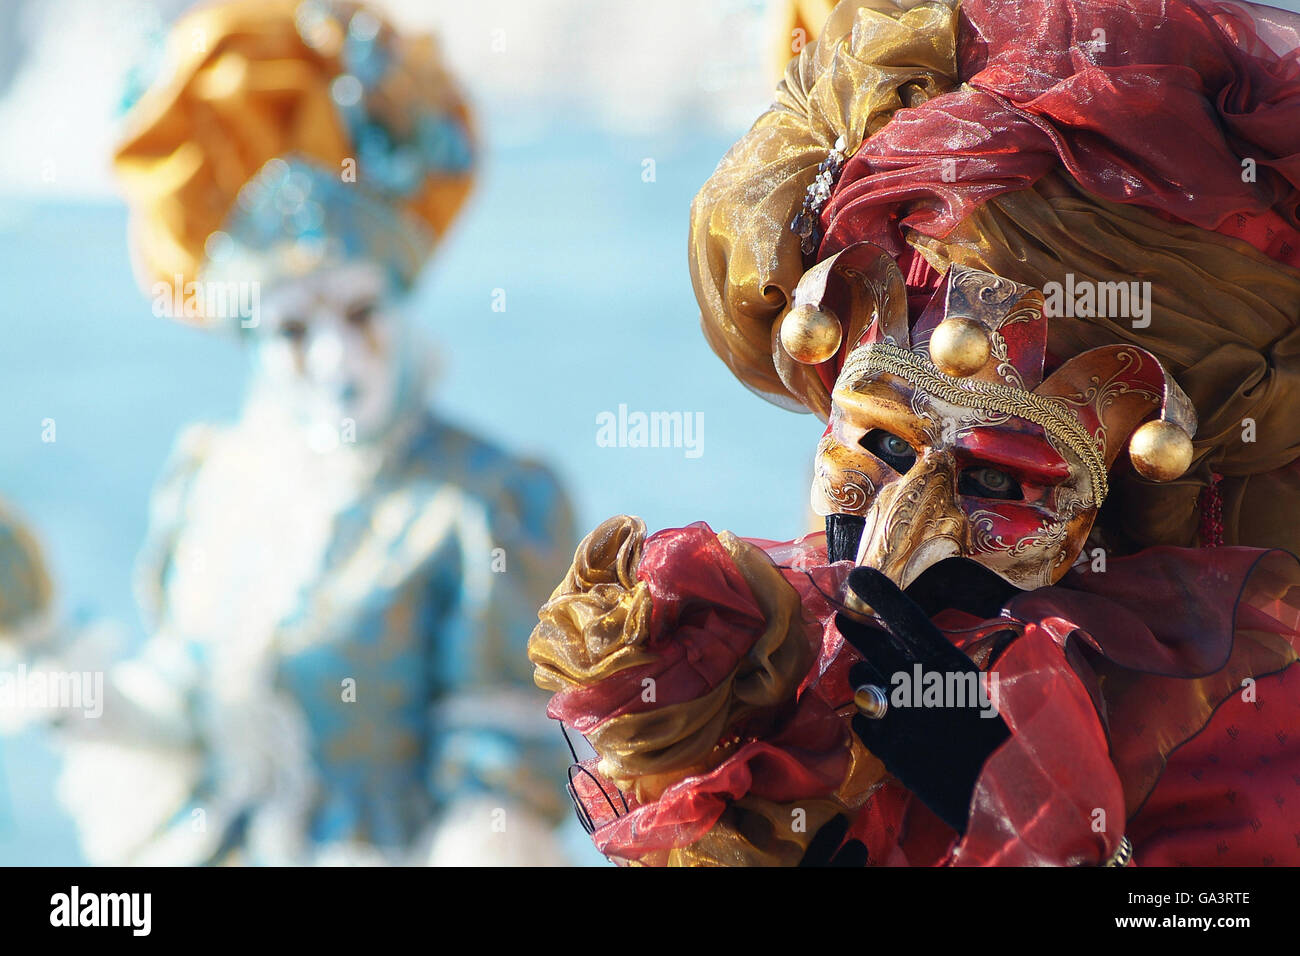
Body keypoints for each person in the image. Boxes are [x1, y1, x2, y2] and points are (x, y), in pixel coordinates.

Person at [528, 0, 1300, 866]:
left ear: (1105, 494)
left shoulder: (1229, 710)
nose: (901, 528)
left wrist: (1029, 815)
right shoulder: (749, 664)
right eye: (884, 446)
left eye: (1001, 481)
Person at [14, 0, 577, 865]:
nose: (335, 356)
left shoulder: (487, 506)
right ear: (250, 337)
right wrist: (44, 646)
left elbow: (500, 801)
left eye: (359, 312)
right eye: (292, 329)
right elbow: (177, 714)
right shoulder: (209, 482)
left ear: (399, 298)